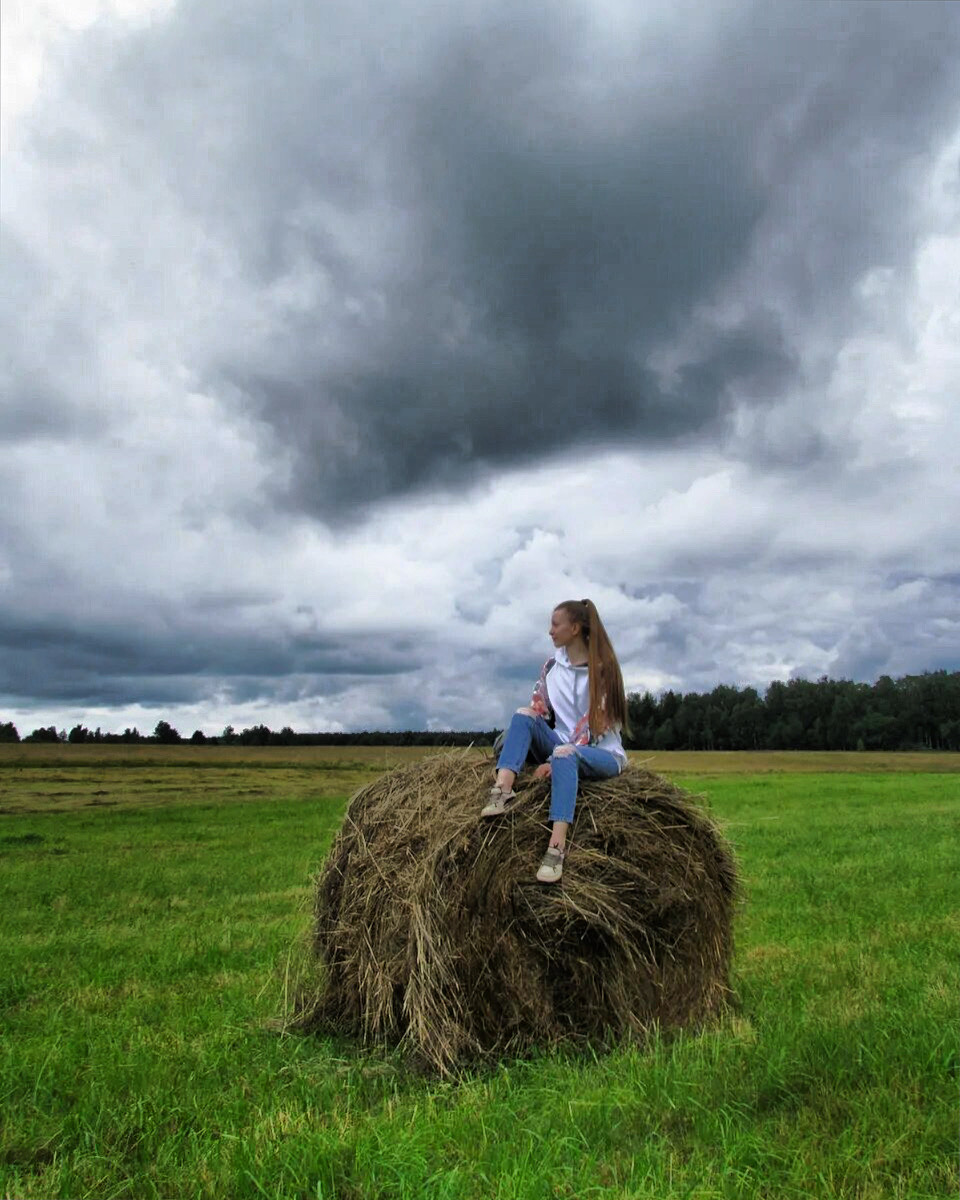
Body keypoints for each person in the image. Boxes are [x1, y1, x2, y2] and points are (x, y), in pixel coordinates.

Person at [481, 598, 629, 883]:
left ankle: (556, 850)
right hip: (559, 743)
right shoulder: (551, 667)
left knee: (564, 753)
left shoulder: (604, 669)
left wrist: (550, 760)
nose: (550, 631)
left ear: (574, 628)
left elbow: (595, 728)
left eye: (555, 624)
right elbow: (539, 710)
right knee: (523, 714)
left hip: (602, 752)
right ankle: (502, 790)